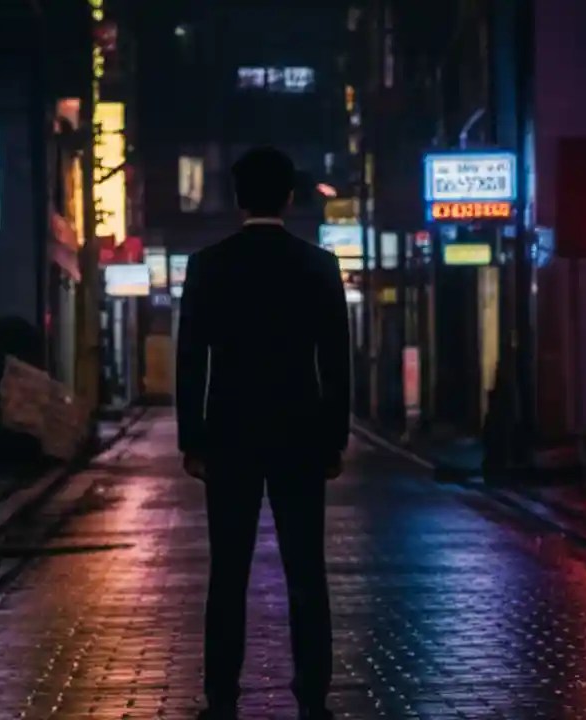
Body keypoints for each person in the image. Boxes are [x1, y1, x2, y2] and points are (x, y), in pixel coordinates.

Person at [176, 146, 351, 720]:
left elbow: (191, 360)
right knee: (307, 572)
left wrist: (192, 439)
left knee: (228, 572)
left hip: (230, 433)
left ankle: (222, 697)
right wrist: (334, 440)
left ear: (237, 198)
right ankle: (313, 696)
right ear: (290, 197)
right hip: (300, 433)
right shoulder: (318, 266)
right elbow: (336, 362)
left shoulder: (208, 266)